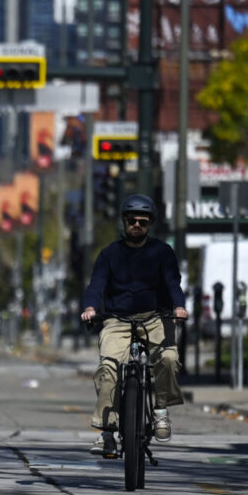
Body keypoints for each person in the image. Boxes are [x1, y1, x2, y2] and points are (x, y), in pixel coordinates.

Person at [80, 193, 189, 455]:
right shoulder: (109, 254)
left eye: (142, 221)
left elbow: (173, 283)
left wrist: (179, 307)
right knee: (108, 369)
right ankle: (107, 432)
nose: (137, 225)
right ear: (124, 222)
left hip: (155, 317)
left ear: (150, 223)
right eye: (132, 221)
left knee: (169, 359)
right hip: (117, 320)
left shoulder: (162, 252)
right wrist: (90, 308)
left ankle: (161, 410)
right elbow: (96, 285)